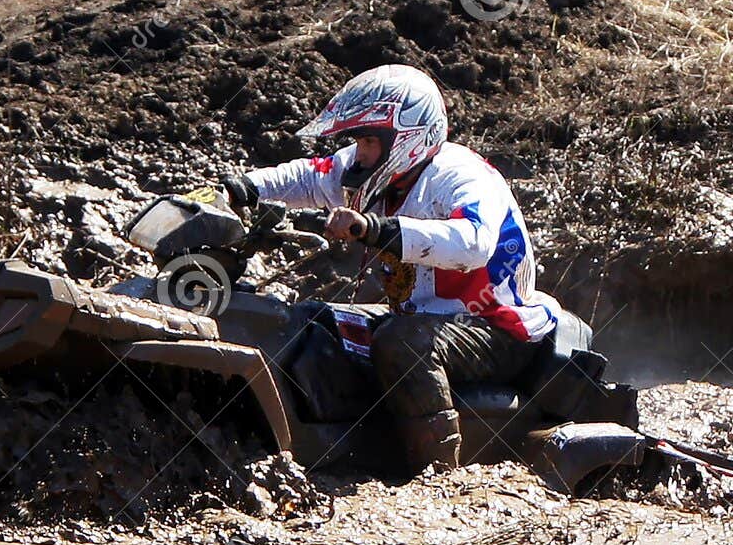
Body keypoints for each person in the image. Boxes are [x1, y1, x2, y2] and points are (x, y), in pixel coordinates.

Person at [223, 63, 558, 474]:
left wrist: (376, 229)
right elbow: (312, 177)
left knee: (401, 342)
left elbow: (474, 242)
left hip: (495, 325)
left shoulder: (462, 175)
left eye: (368, 140)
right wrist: (242, 188)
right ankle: (335, 451)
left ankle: (435, 474)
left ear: (408, 139)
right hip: (423, 316)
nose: (360, 152)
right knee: (314, 321)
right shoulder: (373, 171)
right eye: (359, 140)